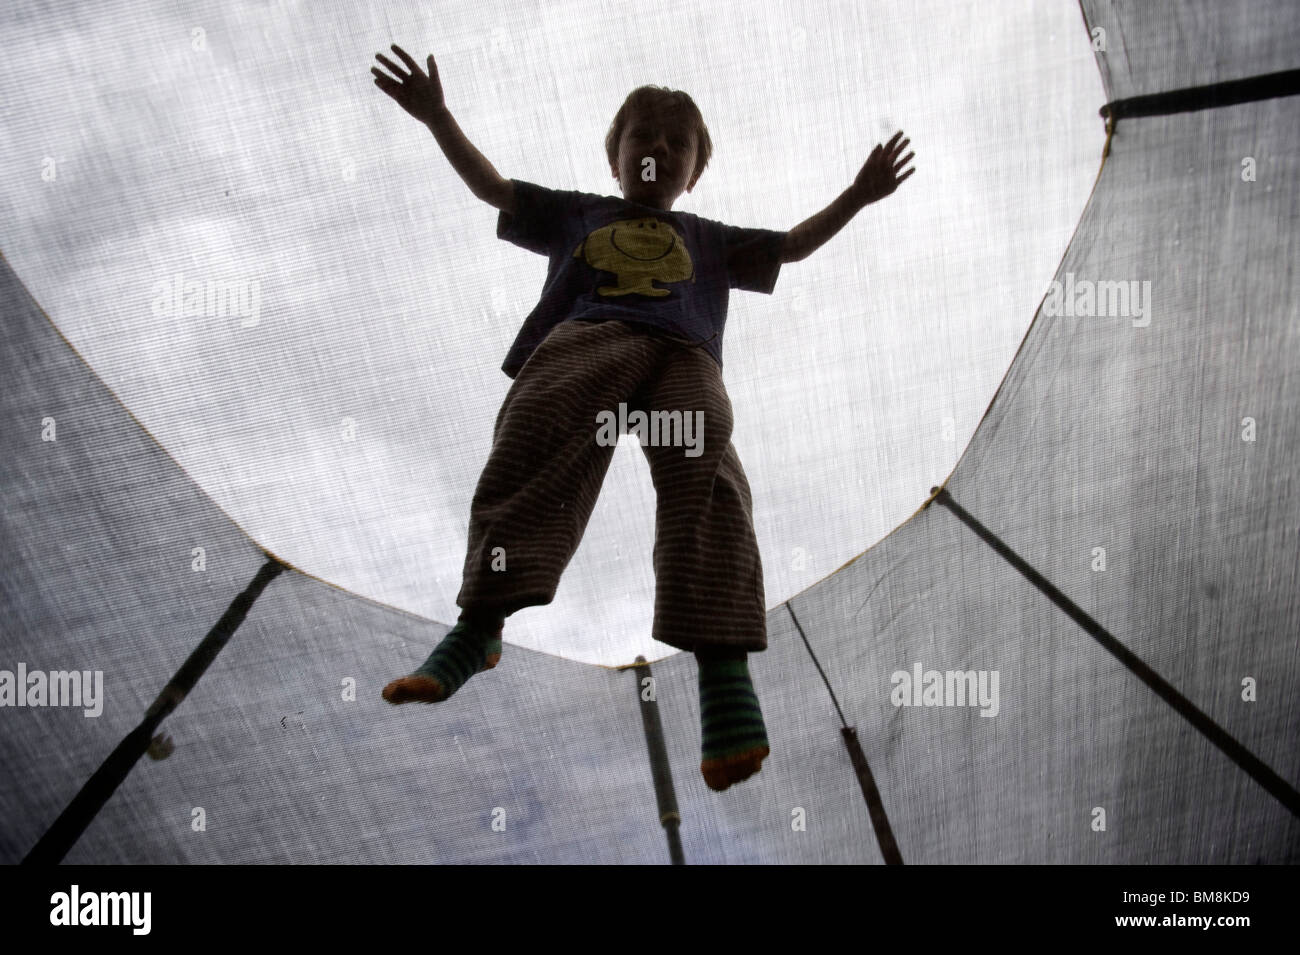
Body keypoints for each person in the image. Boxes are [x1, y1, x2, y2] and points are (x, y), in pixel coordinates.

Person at [371, 44, 914, 791]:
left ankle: (723, 668)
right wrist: (438, 117)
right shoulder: (577, 213)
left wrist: (856, 195)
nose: (659, 148)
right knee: (536, 434)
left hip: (684, 356)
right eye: (643, 137)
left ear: (693, 172)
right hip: (588, 338)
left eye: (677, 143)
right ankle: (479, 626)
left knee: (708, 471)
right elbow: (494, 188)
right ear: (615, 158)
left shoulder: (712, 240)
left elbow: (790, 244)